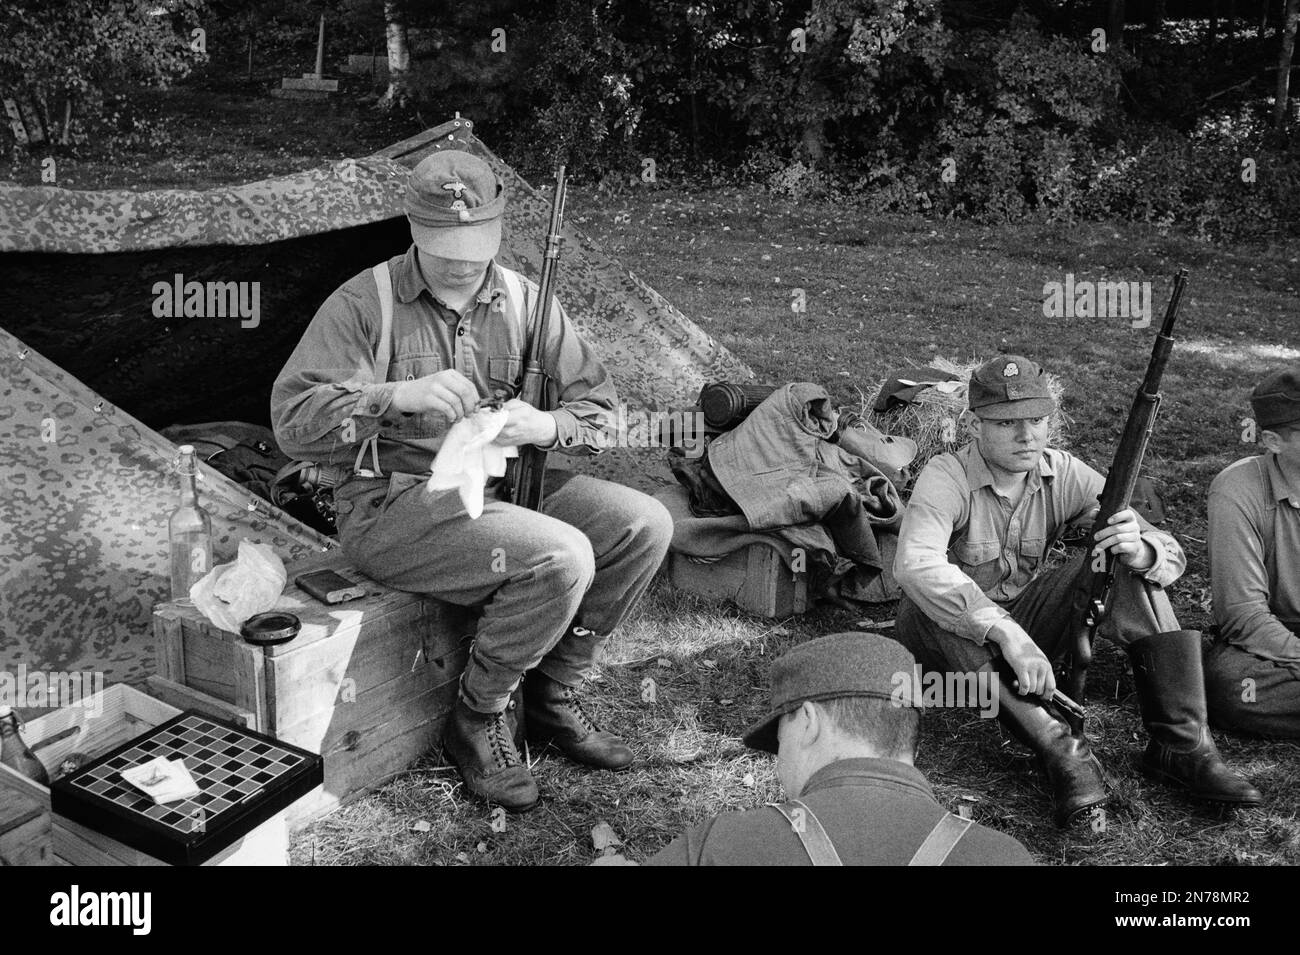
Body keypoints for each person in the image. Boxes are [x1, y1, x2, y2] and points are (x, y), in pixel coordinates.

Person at [271, 149, 673, 812]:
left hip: (506, 486)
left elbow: (601, 409)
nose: (462, 258)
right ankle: (479, 715)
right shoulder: (363, 303)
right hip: (393, 503)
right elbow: (292, 422)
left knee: (645, 524)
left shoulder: (523, 300)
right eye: (444, 243)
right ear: (413, 229)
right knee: (561, 554)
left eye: (475, 241)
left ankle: (552, 691)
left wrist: (542, 426)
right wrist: (395, 396)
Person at [892, 355, 1260, 827]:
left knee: (1120, 560)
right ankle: (1062, 749)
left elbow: (1169, 554)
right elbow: (916, 564)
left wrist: (1143, 549)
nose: (1027, 437)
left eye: (1038, 421)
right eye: (1007, 424)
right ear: (974, 425)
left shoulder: (1063, 471)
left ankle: (1182, 743)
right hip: (948, 650)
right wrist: (1007, 633)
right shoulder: (946, 475)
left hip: (1029, 624)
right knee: (934, 600)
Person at [642, 632, 1034, 865]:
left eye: (780, 739)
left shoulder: (718, 845)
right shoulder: (1006, 857)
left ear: (809, 722)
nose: (780, 764)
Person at [1204, 368, 1300, 737]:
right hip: (1271, 638)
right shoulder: (1237, 489)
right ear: (1274, 441)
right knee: (1233, 688)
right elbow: (1243, 616)